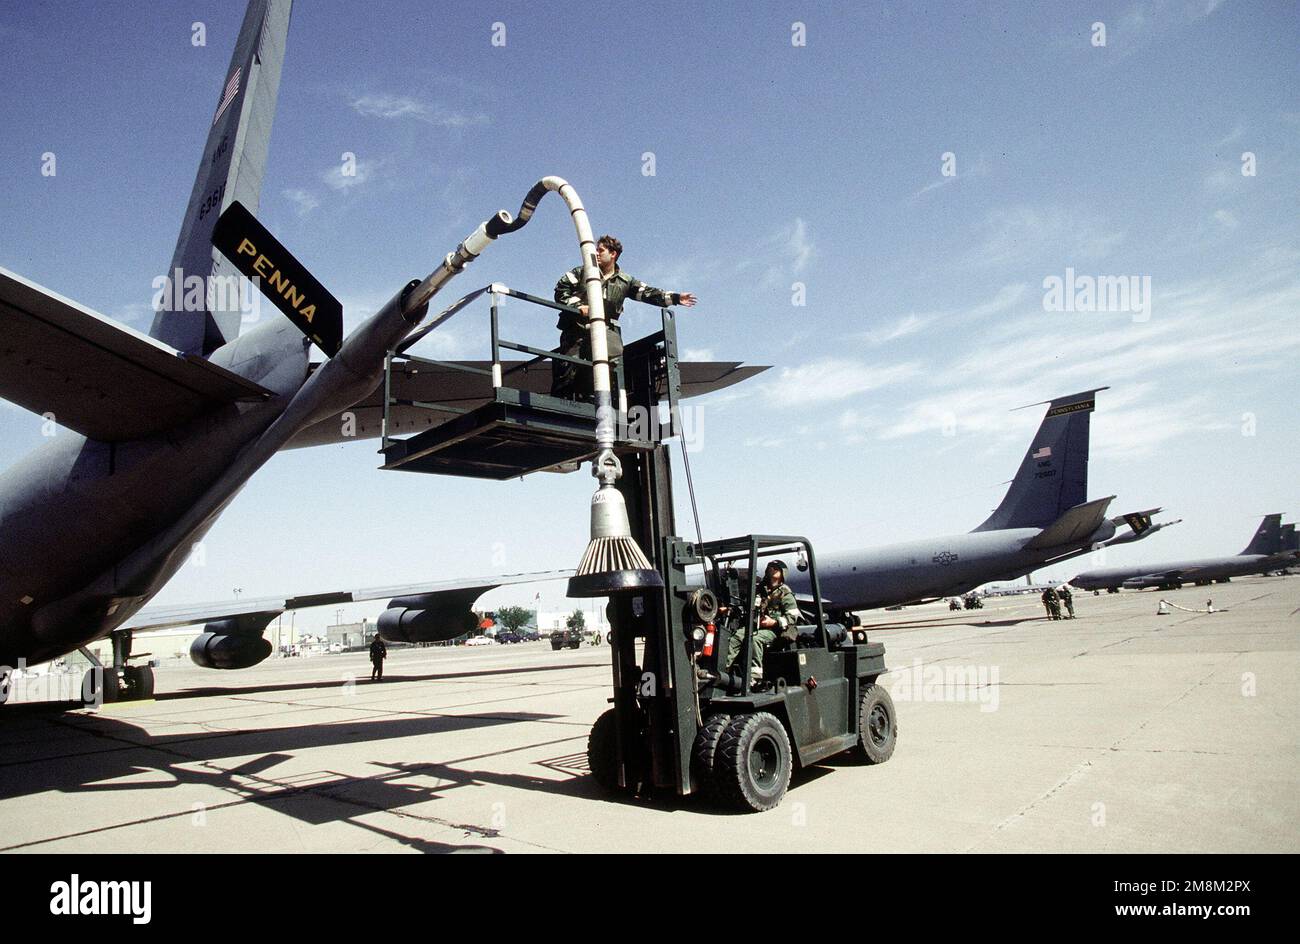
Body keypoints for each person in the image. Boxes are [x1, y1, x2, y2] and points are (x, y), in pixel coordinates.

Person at [551, 235, 697, 400]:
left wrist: (676, 298)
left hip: (604, 335)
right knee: (567, 372)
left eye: (600, 250)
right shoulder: (581, 272)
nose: (596, 254)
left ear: (613, 254)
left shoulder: (625, 281)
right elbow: (560, 290)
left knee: (604, 374)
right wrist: (578, 307)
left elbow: (648, 292)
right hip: (575, 333)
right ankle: (558, 409)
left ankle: (597, 406)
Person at [724, 560, 802, 687]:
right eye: (771, 567)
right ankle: (723, 671)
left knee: (755, 639)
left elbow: (792, 617)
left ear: (782, 574)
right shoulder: (760, 590)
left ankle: (754, 678)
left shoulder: (785, 593)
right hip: (756, 626)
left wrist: (774, 622)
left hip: (775, 631)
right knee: (737, 636)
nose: (773, 569)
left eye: (776, 568)